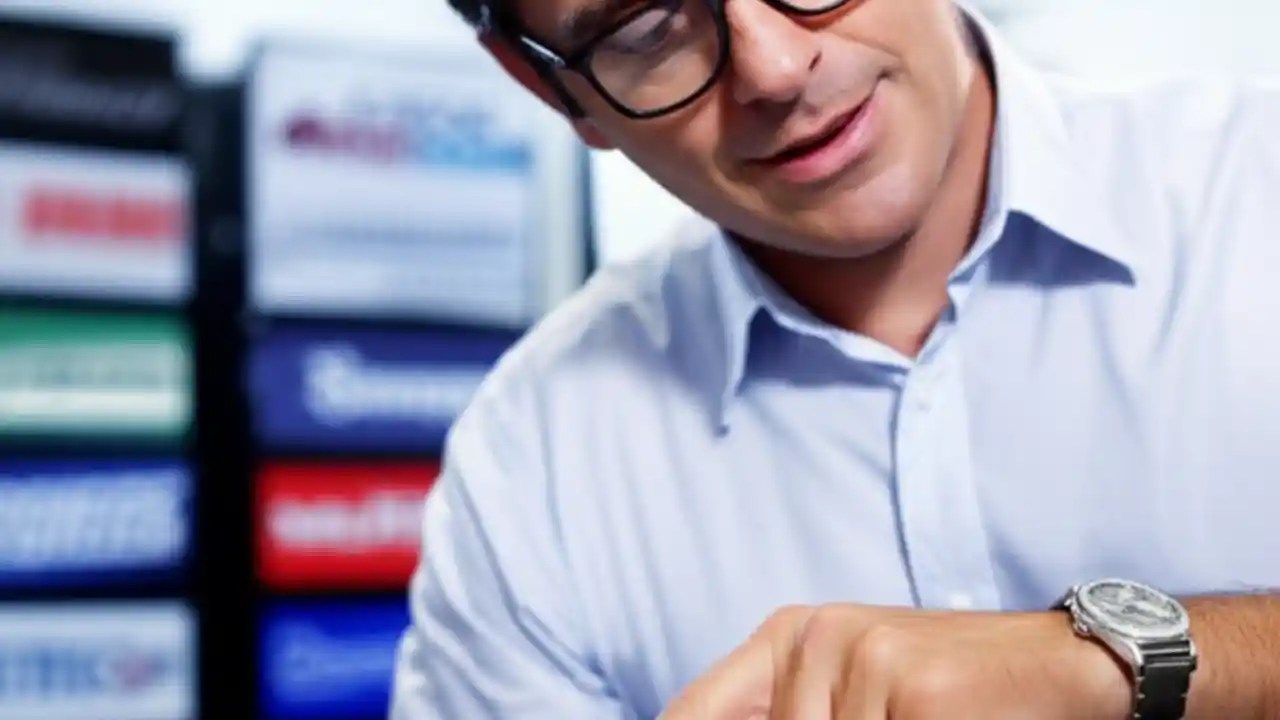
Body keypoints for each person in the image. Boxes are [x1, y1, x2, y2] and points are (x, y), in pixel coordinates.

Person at [392, 0, 1280, 717]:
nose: (775, 69)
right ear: (554, 92)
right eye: (647, 29)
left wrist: (1127, 665)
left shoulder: (1255, 185)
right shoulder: (531, 465)